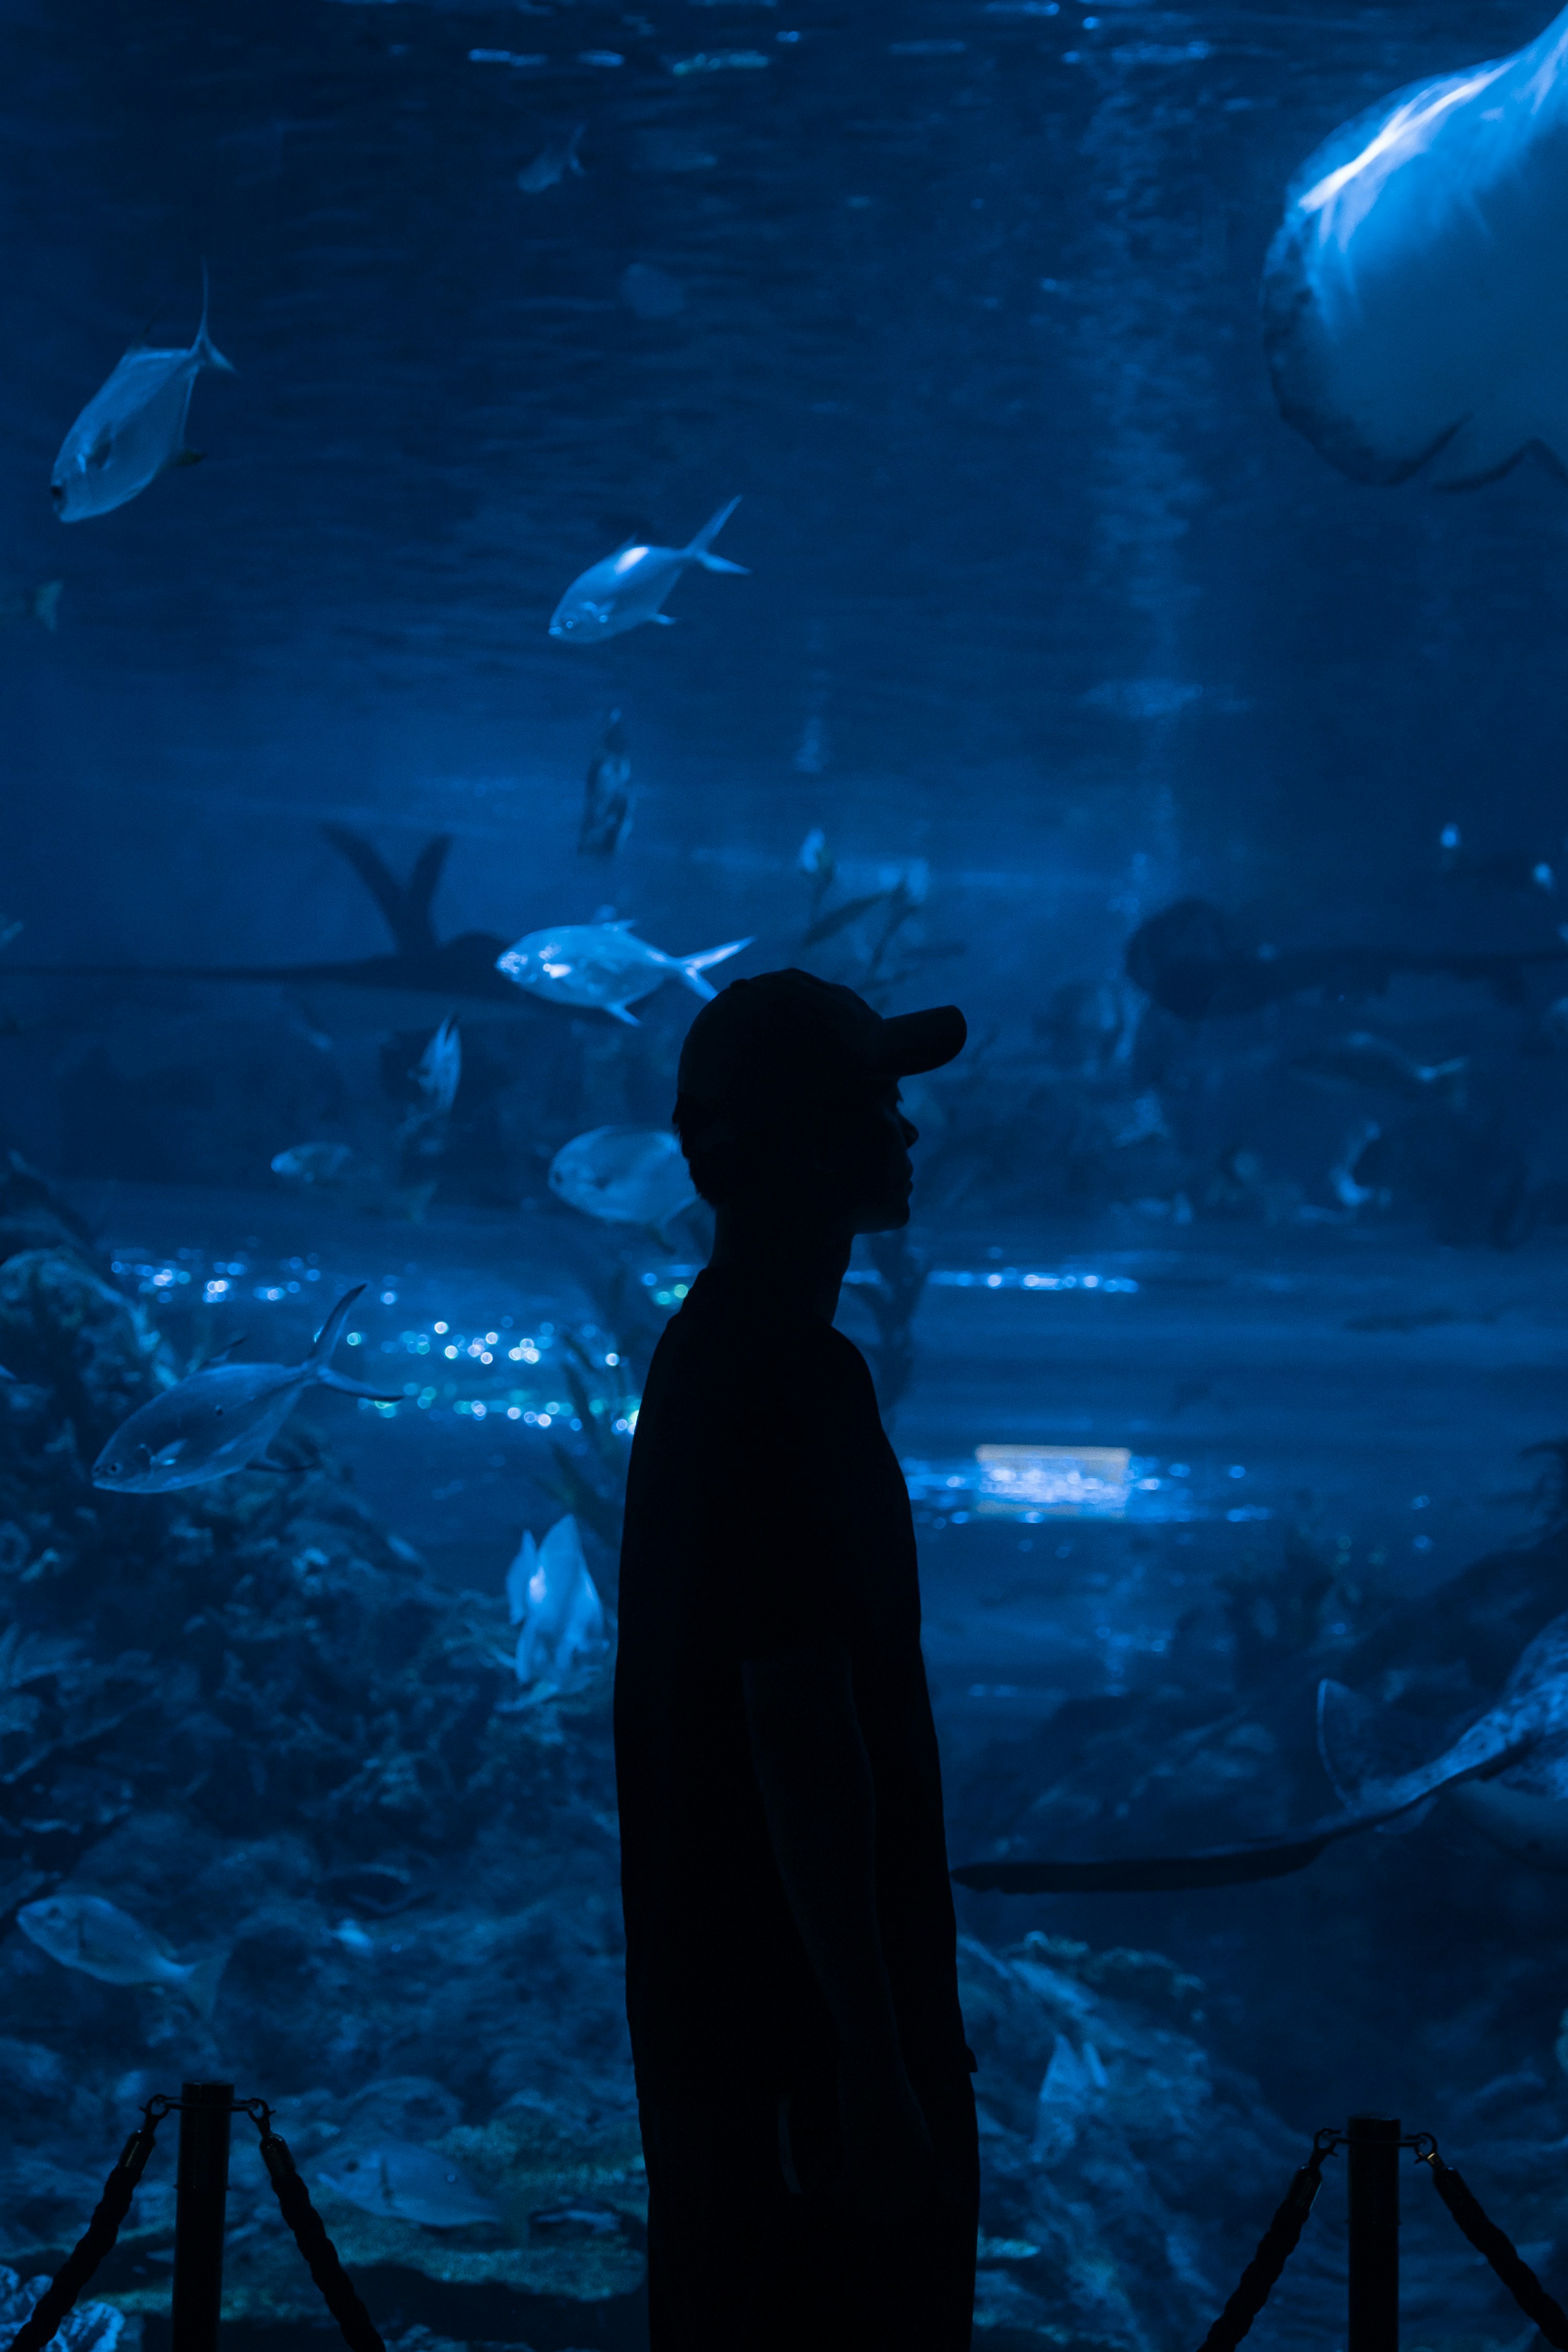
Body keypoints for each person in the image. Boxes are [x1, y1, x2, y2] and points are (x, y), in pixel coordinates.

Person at [614, 967, 978, 2351]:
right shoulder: (790, 1379)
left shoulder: (703, 1354)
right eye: (876, 1106)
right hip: (801, 2049)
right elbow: (798, 1727)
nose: (906, 1132)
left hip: (721, 2019)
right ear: (808, 1139)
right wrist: (874, 2062)